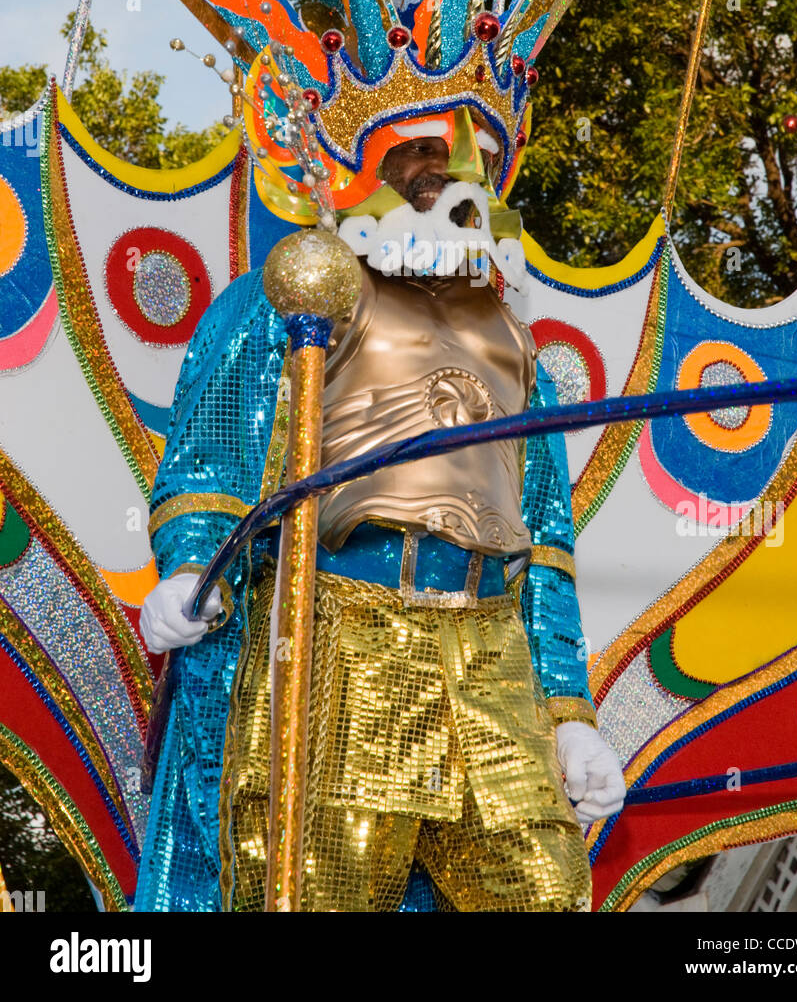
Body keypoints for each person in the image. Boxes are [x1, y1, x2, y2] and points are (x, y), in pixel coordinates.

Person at [135, 119, 626, 913]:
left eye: (474, 155)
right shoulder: (297, 289)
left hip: (488, 652)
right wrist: (193, 567)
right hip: (339, 637)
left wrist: (570, 716)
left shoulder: (514, 341)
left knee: (548, 891)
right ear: (367, 157)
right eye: (424, 147)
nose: (448, 168)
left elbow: (545, 546)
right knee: (317, 889)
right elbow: (214, 455)